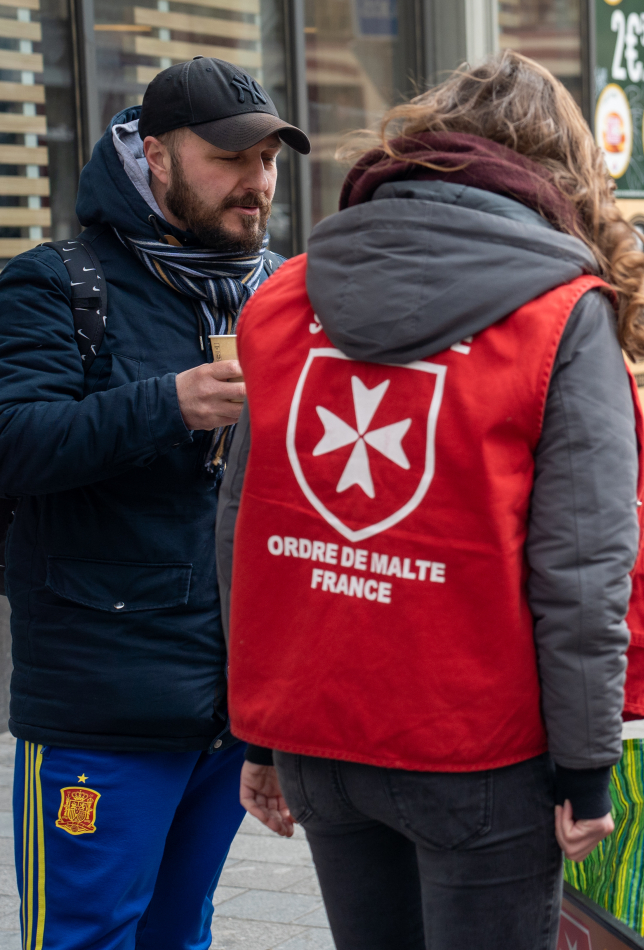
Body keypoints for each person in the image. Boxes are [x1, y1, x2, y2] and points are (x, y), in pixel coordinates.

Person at [217, 51, 644, 945]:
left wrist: (261, 729)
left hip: (321, 732)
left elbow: (248, 526)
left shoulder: (287, 298)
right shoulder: (560, 315)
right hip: (477, 751)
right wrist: (586, 768)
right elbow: (580, 569)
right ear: (562, 171)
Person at [0, 57, 307, 947]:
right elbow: (15, 439)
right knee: (89, 936)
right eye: (230, 159)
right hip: (103, 702)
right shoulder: (59, 282)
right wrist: (167, 404)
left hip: (230, 700)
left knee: (182, 931)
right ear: (157, 157)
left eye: (269, 161)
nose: (256, 183)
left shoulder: (279, 290)